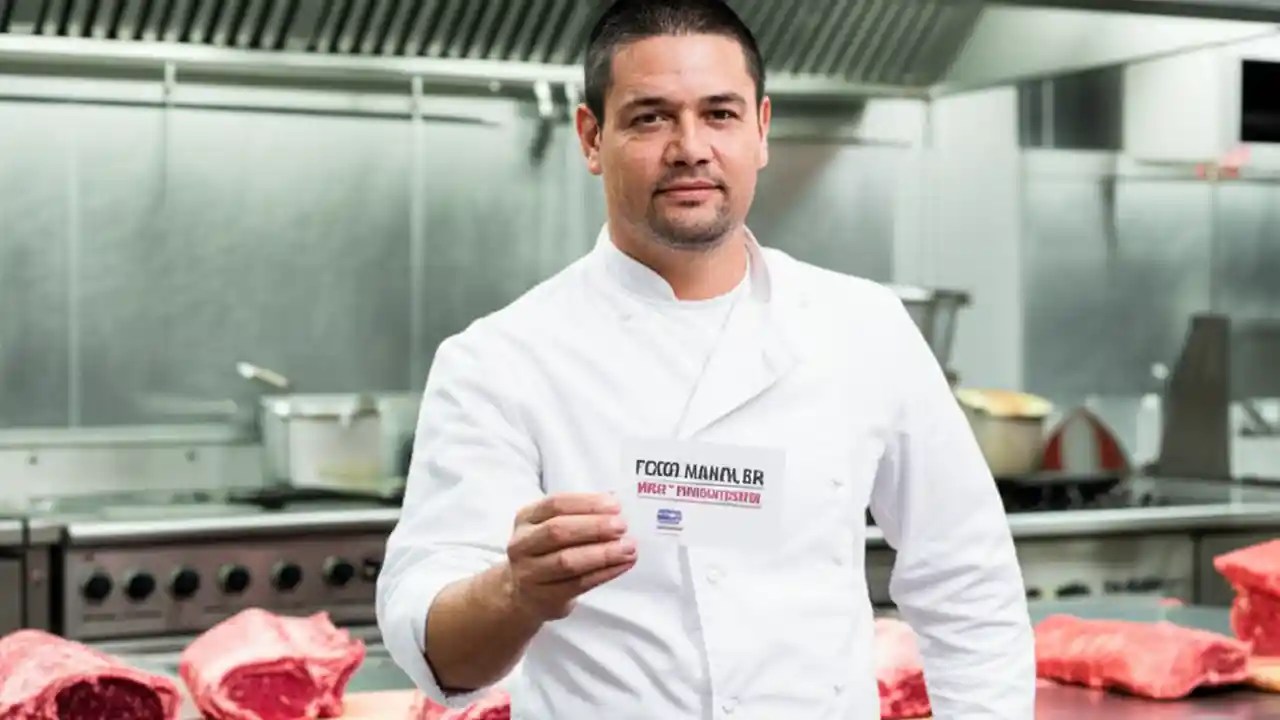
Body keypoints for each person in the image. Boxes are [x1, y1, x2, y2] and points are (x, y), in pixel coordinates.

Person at [377, 0, 1036, 717]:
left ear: (760, 130)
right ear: (591, 138)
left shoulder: (864, 328)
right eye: (650, 117)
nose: (690, 146)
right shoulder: (500, 360)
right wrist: (516, 591)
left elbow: (967, 585)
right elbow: (436, 648)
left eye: (719, 114)